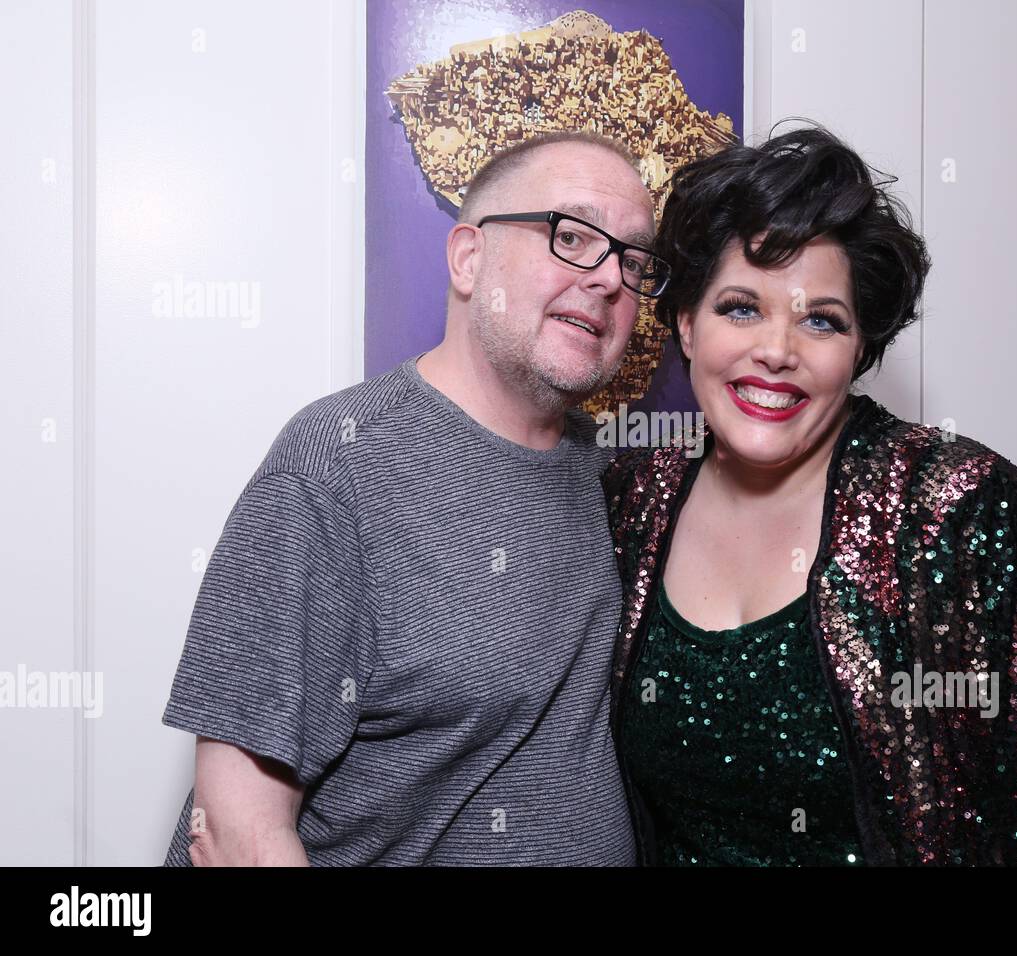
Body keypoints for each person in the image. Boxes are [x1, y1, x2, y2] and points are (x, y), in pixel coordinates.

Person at [603, 124, 1017, 866]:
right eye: (741, 307)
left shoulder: (958, 506)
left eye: (820, 320)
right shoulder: (632, 502)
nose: (777, 350)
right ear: (687, 325)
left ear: (859, 349)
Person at [161, 129, 667, 865]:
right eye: (572, 237)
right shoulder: (334, 469)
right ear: (469, 258)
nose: (610, 279)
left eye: (633, 259)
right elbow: (236, 830)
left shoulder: (619, 480)